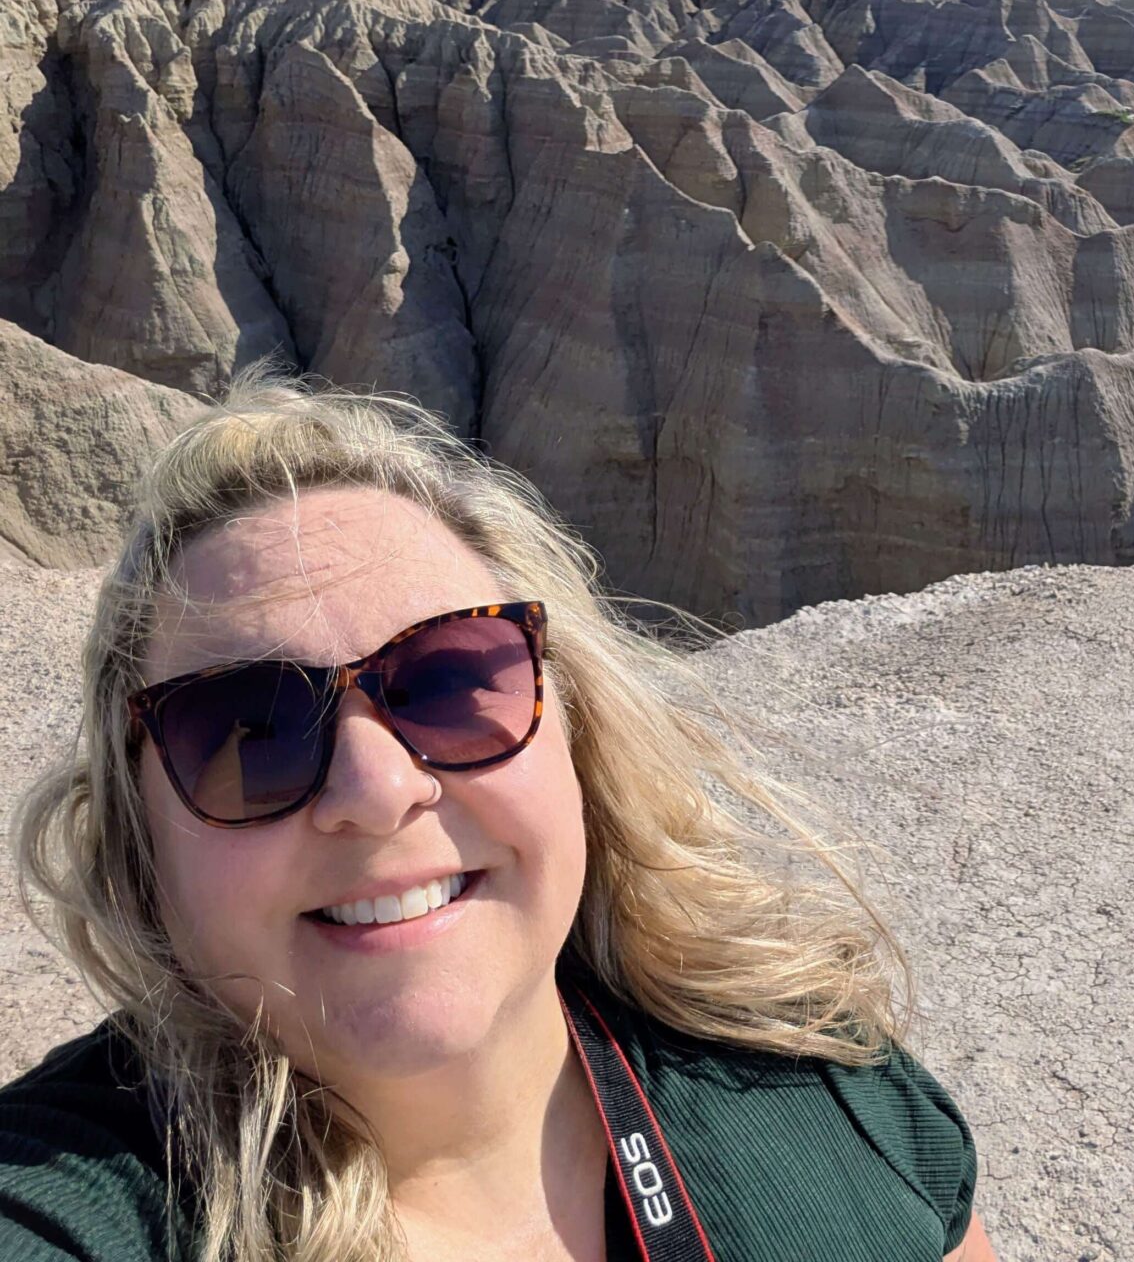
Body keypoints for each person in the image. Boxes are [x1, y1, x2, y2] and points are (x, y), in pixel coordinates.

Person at [0, 365, 997, 1262]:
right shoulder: (63, 1212)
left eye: (446, 683)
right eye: (247, 733)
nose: (377, 789)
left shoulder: (830, 1093)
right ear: (144, 853)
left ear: (579, 744)